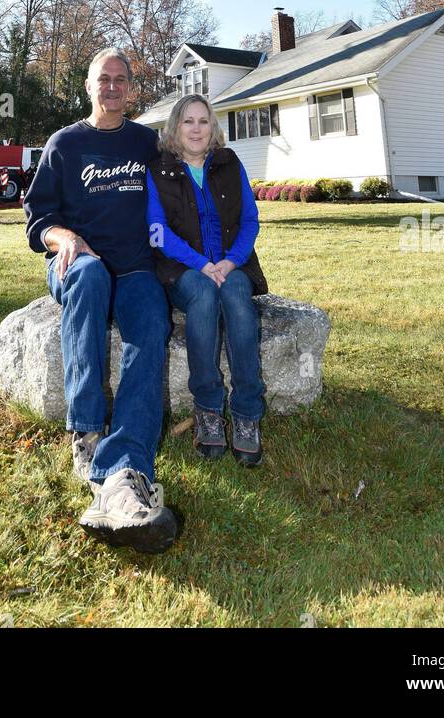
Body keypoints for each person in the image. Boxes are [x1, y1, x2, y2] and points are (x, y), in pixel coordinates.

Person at [24, 48, 177, 553]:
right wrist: (63, 238)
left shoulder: (146, 143)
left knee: (151, 315)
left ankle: (126, 465)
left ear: (131, 89)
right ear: (88, 86)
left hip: (133, 267)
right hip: (77, 263)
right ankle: (87, 432)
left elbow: (182, 187)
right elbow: (38, 220)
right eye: (103, 79)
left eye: (121, 80)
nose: (112, 87)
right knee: (89, 279)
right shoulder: (65, 144)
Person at [146, 94, 268, 465]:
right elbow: (156, 231)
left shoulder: (230, 164)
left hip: (234, 266)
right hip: (182, 269)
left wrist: (230, 263)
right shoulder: (158, 168)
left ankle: (247, 413)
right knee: (202, 296)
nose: (196, 129)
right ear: (175, 128)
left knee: (235, 299)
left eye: (203, 121)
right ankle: (208, 411)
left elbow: (250, 221)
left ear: (212, 127)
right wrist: (201, 265)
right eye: (188, 121)